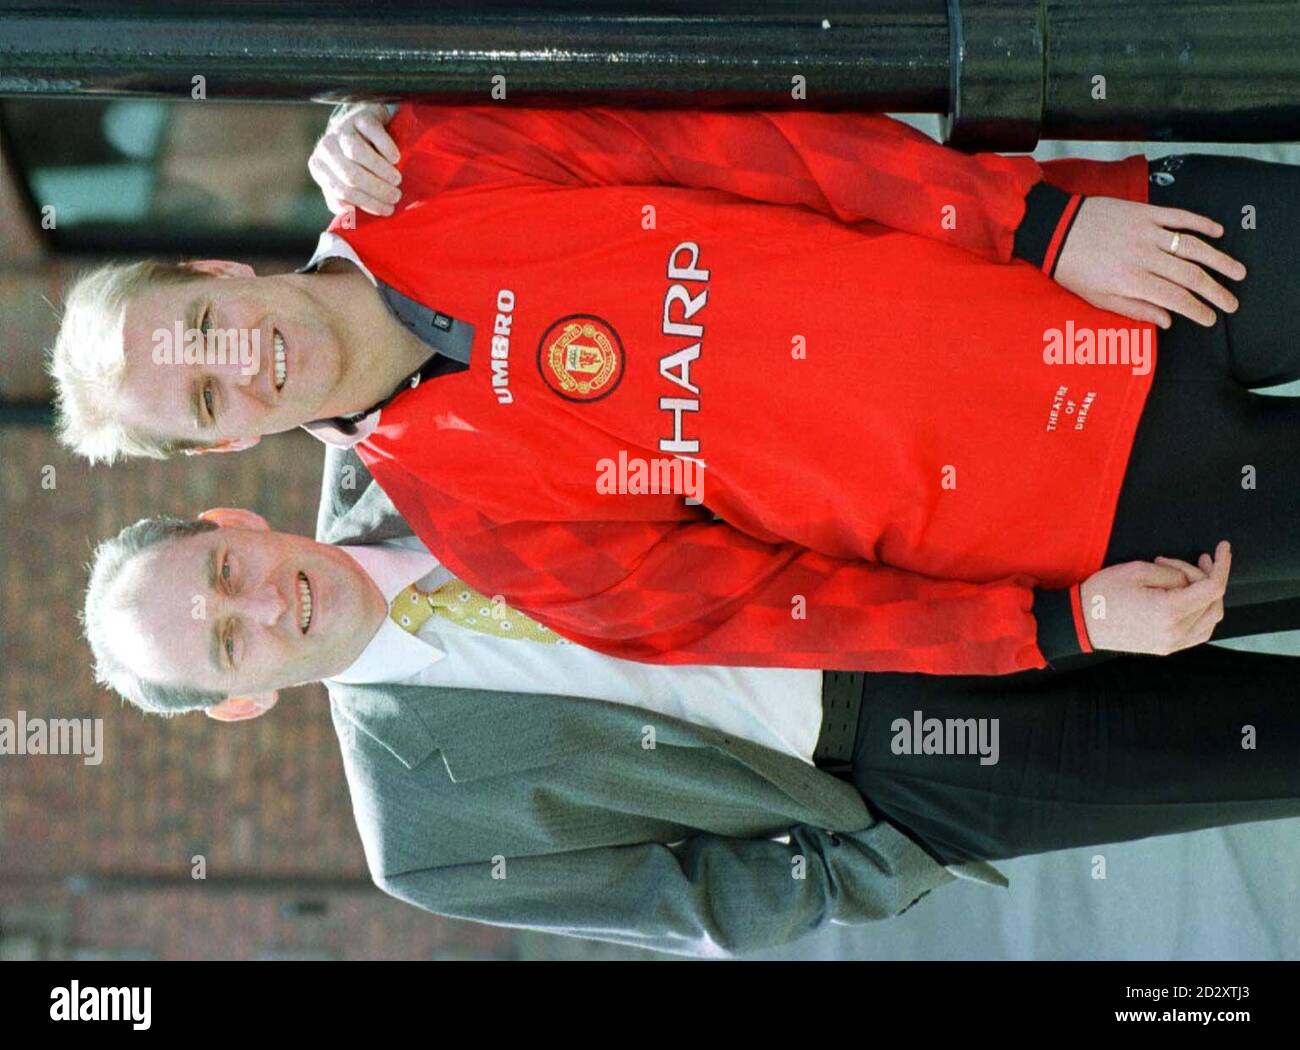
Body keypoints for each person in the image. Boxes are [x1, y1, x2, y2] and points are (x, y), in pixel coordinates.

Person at [56, 102, 1270, 674]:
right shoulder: (476, 531)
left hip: (1111, 263)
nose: (240, 359)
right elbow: (765, 609)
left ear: (217, 267)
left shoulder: (432, 159)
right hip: (1096, 510)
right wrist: (1054, 626)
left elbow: (768, 150)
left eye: (202, 324)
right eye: (205, 399)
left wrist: (1043, 224)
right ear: (222, 453)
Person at [77, 448, 1300, 955]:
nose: (263, 607)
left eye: (224, 574)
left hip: (909, 550)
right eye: (228, 647)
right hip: (918, 760)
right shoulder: (419, 841)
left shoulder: (405, 440)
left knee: (1265, 549)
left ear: (235, 523)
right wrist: (892, 848)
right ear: (238, 706)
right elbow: (692, 906)